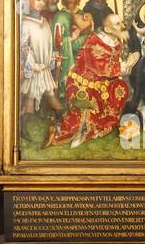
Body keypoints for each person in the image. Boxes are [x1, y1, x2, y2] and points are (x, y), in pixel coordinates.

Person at [45, 12, 139, 149]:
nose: (123, 25)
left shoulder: (116, 41)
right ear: (107, 29)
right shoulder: (94, 42)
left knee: (121, 88)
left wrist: (125, 63)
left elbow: (112, 64)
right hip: (83, 84)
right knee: (85, 111)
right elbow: (104, 68)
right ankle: (71, 130)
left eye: (121, 22)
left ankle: (107, 122)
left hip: (101, 81)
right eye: (117, 24)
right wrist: (127, 65)